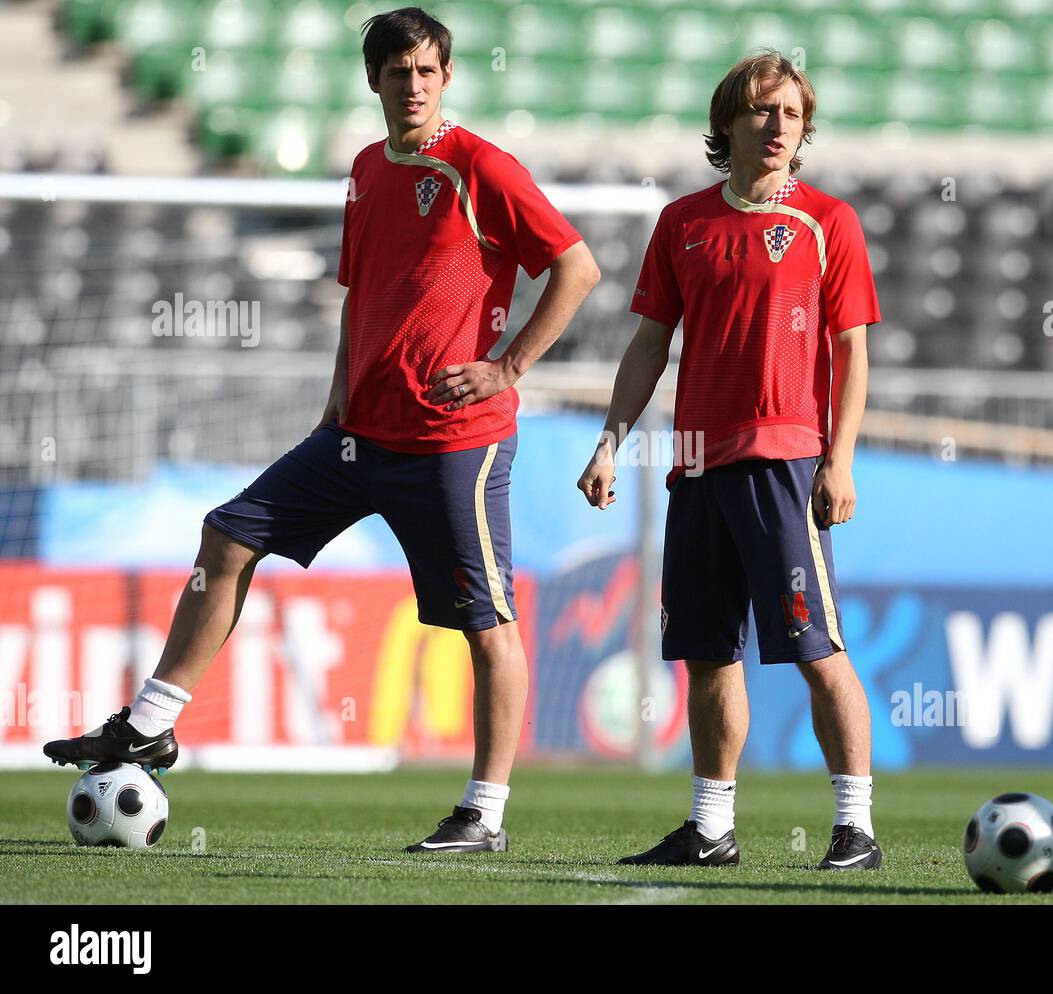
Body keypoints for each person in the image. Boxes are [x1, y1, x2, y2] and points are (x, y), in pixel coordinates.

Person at [45, 7, 601, 856]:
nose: (411, 85)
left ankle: (482, 815)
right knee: (227, 536)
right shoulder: (366, 170)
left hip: (454, 438)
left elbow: (577, 264)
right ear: (372, 80)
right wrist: (336, 399)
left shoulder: (480, 165)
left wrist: (507, 366)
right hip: (356, 435)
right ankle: (151, 727)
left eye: (425, 70)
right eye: (395, 72)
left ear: (447, 77)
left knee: (489, 625)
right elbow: (361, 293)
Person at [577, 51, 881, 870]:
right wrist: (611, 439)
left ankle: (856, 829)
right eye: (760, 111)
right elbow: (649, 344)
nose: (777, 126)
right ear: (728, 124)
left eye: (790, 114)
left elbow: (852, 353)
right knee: (709, 652)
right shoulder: (682, 223)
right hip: (695, 467)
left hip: (786, 465)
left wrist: (839, 460)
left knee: (817, 649)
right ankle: (711, 828)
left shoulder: (829, 221)